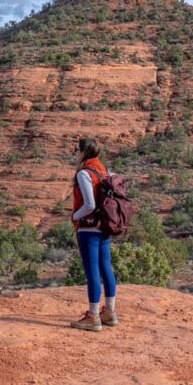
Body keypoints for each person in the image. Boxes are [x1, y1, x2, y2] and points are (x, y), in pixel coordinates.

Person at [69, 137, 117, 331]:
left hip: (89, 229)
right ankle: (110, 312)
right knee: (106, 267)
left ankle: (93, 316)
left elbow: (90, 204)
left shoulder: (84, 173)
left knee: (92, 272)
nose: (74, 153)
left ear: (83, 152)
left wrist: (75, 215)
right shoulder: (103, 171)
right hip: (104, 226)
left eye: (75, 149)